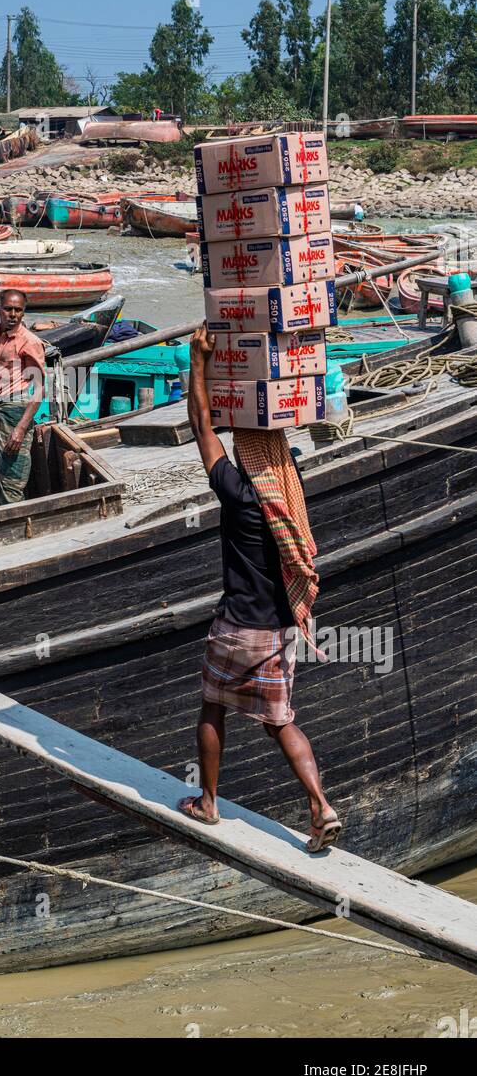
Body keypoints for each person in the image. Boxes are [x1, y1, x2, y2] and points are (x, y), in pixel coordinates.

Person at [179, 321, 342, 853]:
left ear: (247, 460)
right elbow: (279, 457)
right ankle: (320, 804)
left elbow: (202, 423)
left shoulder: (238, 493)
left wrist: (198, 359)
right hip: (278, 630)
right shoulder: (286, 500)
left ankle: (208, 802)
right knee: (280, 722)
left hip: (237, 628)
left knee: (212, 707)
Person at [0, 289, 46, 504]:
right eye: (8, 309)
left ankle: (17, 521)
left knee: (13, 476)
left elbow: (40, 388)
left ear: (23, 313)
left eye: (18, 310)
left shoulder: (29, 341)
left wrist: (21, 428)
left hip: (14, 413)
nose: (13, 314)